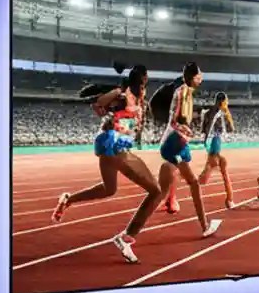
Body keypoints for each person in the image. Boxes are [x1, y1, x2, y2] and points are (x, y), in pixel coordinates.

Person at [51, 65, 161, 263]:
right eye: (145, 82)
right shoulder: (123, 96)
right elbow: (98, 105)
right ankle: (126, 237)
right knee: (156, 191)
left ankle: (68, 200)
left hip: (115, 146)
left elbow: (127, 119)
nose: (145, 88)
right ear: (141, 81)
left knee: (109, 189)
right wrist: (114, 98)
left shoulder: (137, 100)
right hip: (113, 145)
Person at [156, 62, 222, 237]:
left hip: (178, 142)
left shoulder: (187, 92)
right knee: (191, 183)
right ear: (193, 77)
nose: (202, 77)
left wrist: (186, 130)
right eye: (199, 74)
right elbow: (174, 121)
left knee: (167, 189)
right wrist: (186, 131)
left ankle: (202, 224)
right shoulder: (182, 92)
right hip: (174, 143)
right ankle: (204, 226)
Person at [197, 92, 237, 209]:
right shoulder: (223, 113)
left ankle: (229, 200)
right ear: (223, 101)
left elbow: (203, 130)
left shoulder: (208, 113)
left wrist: (206, 143)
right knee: (222, 175)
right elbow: (231, 129)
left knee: (205, 177)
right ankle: (229, 200)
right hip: (218, 145)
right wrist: (227, 113)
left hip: (212, 146)